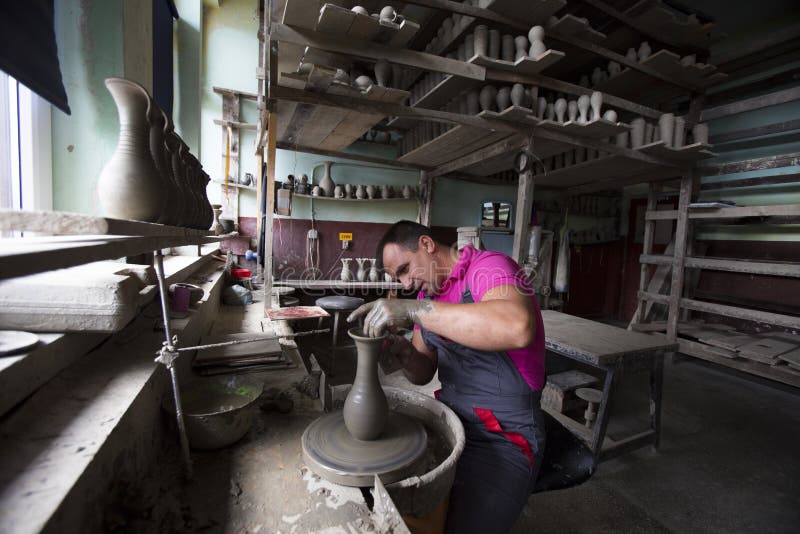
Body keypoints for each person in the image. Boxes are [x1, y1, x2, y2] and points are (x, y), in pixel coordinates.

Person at [347, 220, 546, 534]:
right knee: (389, 506)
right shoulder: (429, 294)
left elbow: (517, 327)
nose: (406, 285)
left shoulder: (490, 267)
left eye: (404, 269)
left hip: (506, 434)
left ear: (426, 245)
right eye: (396, 278)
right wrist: (403, 353)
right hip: (452, 420)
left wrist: (414, 311)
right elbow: (423, 372)